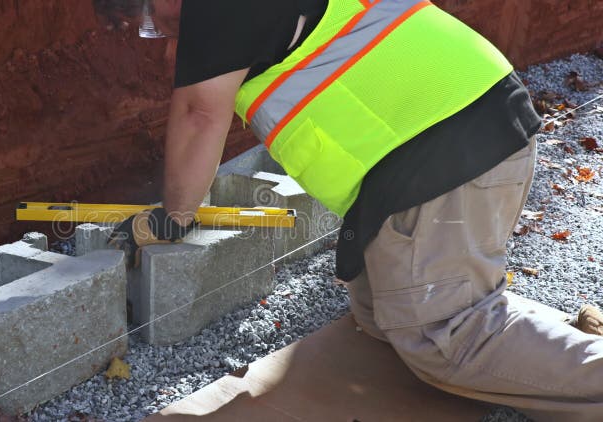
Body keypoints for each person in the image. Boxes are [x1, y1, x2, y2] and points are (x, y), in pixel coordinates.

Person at [94, 1, 603, 420]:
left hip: (445, 148)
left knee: (441, 338)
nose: (157, 31)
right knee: (383, 314)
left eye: (145, 13)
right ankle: (557, 336)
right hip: (463, 129)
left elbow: (200, 112)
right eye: (143, 29)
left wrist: (175, 215)